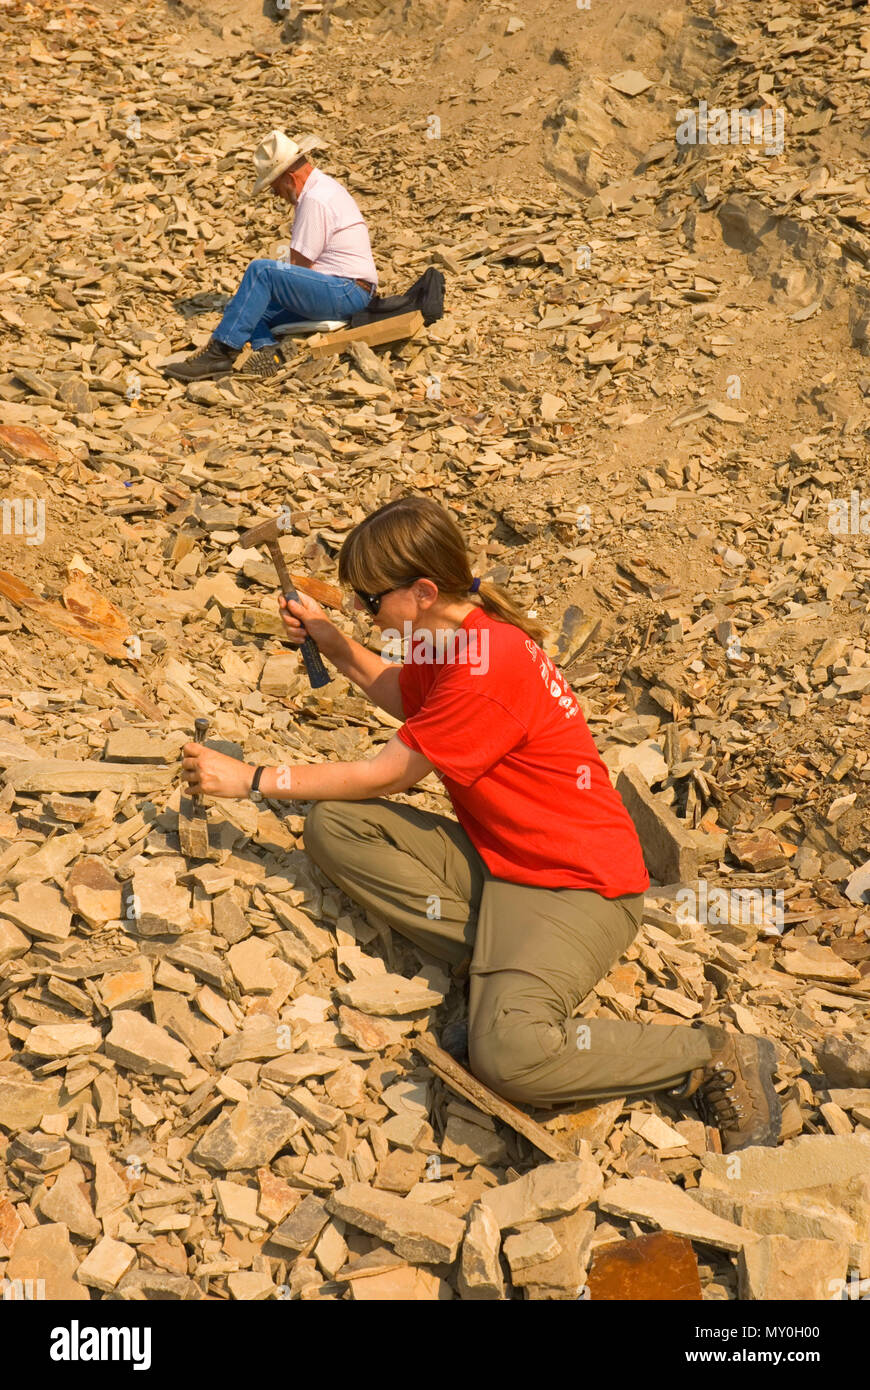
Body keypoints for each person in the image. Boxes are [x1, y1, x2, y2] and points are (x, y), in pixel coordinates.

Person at [182, 495, 782, 1154]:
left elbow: (387, 773)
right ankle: (498, 969)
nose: (363, 610)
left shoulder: (486, 664)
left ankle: (714, 1053)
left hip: (581, 887)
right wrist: (334, 642)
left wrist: (255, 779)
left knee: (509, 1057)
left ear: (422, 590)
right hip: (504, 861)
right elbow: (402, 696)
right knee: (337, 828)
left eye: (369, 600)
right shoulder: (451, 637)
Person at [165, 130, 378, 383]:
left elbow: (300, 266)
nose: (275, 194)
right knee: (245, 307)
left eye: (274, 185)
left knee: (262, 272)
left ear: (289, 177)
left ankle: (219, 354)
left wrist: (268, 289)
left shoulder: (315, 200)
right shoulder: (321, 189)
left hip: (346, 290)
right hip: (344, 291)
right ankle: (270, 352)